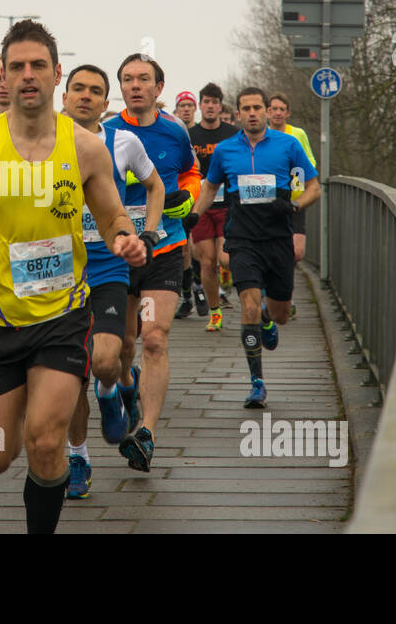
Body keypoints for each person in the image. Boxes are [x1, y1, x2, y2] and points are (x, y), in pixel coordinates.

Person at [0, 20, 146, 533]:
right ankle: (26, 394)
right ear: (3, 75)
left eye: (38, 66)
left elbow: (113, 213)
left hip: (63, 315)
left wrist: (124, 237)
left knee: (46, 441)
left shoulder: (86, 148)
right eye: (17, 67)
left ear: (56, 75)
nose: (27, 75)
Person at [59, 62, 162, 499]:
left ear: (106, 103)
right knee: (67, 377)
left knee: (107, 358)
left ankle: (110, 392)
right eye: (77, 88)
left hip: (106, 264)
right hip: (56, 270)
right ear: (63, 97)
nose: (85, 96)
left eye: (94, 91)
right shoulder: (40, 143)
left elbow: (154, 186)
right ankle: (77, 456)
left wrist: (149, 233)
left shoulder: (123, 142)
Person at [102, 53, 201, 472]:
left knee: (154, 337)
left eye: (144, 79)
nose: (136, 85)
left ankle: (147, 431)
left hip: (162, 248)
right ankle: (127, 385)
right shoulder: (104, 135)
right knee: (123, 346)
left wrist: (187, 202)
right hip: (118, 254)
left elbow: (192, 173)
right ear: (120, 88)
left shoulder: (174, 133)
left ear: (159, 89)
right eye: (127, 79)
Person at [194, 87, 319, 408]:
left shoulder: (288, 145)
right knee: (246, 306)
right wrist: (193, 217)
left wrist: (295, 207)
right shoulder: (224, 150)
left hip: (278, 238)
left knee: (281, 315)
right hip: (242, 239)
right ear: (237, 114)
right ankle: (257, 382)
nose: (252, 113)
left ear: (266, 111)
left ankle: (267, 315)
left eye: (257, 108)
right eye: (245, 108)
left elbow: (314, 187)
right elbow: (209, 187)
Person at [186, 83, 239, 332]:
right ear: (200, 105)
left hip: (229, 204)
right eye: (206, 102)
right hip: (202, 206)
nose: (210, 106)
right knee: (207, 262)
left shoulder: (233, 134)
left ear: (220, 106)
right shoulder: (190, 135)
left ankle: (238, 284)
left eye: (214, 102)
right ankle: (215, 311)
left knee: (225, 259)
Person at [267, 92, 317, 317]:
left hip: (295, 200)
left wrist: (297, 183)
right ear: (268, 112)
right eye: (274, 108)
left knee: (296, 252)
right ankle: (277, 295)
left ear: (287, 112)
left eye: (281, 109)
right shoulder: (261, 135)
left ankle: (285, 291)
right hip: (269, 202)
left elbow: (309, 163)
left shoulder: (297, 134)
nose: (277, 113)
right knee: (269, 249)